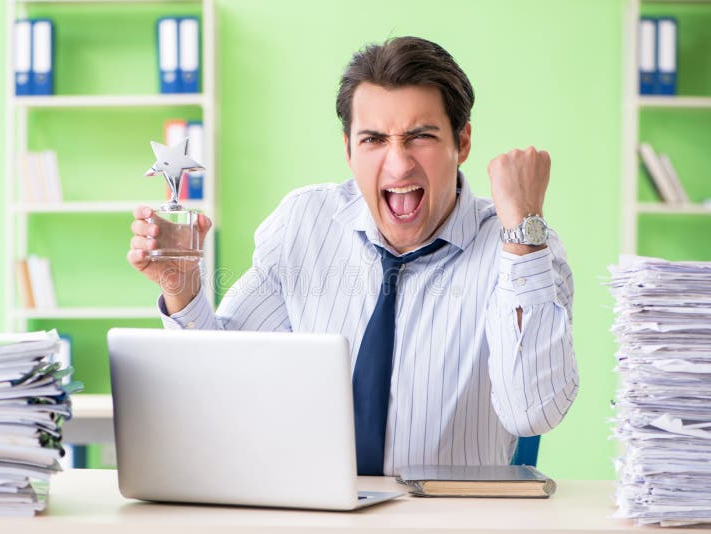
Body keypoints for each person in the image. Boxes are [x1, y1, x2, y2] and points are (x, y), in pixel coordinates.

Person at [128, 36, 578, 475]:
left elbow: (531, 413)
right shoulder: (304, 222)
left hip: (451, 519)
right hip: (315, 512)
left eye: (420, 136)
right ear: (348, 149)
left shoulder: (522, 246)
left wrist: (522, 227)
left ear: (461, 143)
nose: (399, 165)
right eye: (374, 140)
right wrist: (181, 290)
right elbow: (220, 379)